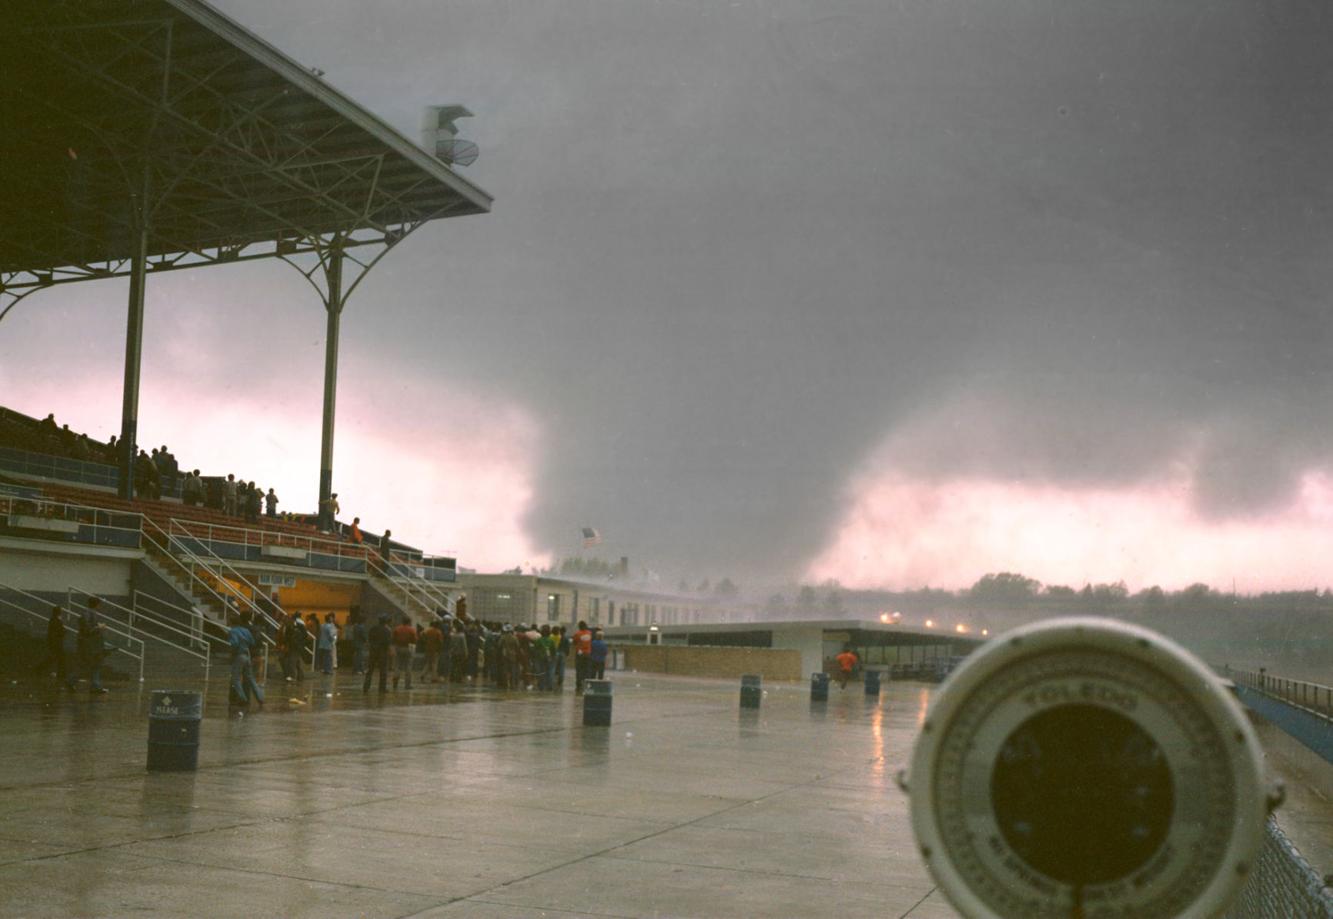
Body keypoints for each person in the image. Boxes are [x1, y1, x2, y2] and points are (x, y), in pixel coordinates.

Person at [228, 611, 264, 708]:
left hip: (239, 655)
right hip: (247, 655)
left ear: (231, 622)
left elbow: (234, 643)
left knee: (236, 678)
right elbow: (252, 642)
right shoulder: (246, 630)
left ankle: (242, 698)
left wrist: (231, 651)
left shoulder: (233, 631)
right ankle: (260, 697)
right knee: (250, 678)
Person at [66, 611, 107, 693]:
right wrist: (99, 628)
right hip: (90, 650)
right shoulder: (87, 630)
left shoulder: (82, 631)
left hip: (88, 650)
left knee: (87, 667)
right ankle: (94, 686)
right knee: (93, 667)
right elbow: (90, 633)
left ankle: (71, 681)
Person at [33, 605, 66, 681]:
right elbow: (60, 631)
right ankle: (61, 674)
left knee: (54, 658)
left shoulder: (53, 620)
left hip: (54, 642)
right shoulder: (57, 621)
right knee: (59, 658)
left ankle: (39, 668)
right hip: (57, 643)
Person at [364, 615, 392, 693]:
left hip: (373, 650)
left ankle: (366, 686)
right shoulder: (387, 630)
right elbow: (387, 642)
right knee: (383, 671)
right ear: (386, 622)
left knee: (370, 669)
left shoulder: (373, 629)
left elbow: (369, 638)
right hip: (382, 652)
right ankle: (382, 688)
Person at [391, 615, 417, 689]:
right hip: (408, 648)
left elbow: (393, 638)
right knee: (408, 666)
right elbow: (415, 640)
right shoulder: (412, 630)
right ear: (409, 622)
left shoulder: (397, 629)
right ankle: (407, 685)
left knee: (397, 665)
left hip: (398, 647)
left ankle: (395, 681)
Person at [284, 612, 308, 682]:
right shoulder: (288, 627)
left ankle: (293, 676)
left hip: (297, 646)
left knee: (292, 661)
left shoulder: (299, 626)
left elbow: (305, 635)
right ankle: (300, 676)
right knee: (297, 661)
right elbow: (286, 636)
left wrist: (300, 641)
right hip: (292, 645)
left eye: (290, 619)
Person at [572, 620, 593, 694]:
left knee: (579, 669)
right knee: (587, 669)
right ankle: (587, 685)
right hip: (588, 653)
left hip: (580, 654)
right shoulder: (590, 633)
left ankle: (578, 685)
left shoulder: (577, 634)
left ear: (579, 627)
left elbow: (574, 642)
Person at [421, 619, 444, 683]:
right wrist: (440, 649)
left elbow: (422, 635)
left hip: (428, 648)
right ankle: (434, 678)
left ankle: (423, 674)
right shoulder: (438, 632)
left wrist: (425, 641)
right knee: (434, 664)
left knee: (428, 663)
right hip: (435, 649)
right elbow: (440, 642)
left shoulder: (428, 631)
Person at [553, 626, 570, 690]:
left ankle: (553, 679)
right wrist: (567, 654)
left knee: (555, 667)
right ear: (565, 631)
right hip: (563, 653)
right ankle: (560, 680)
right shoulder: (566, 638)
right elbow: (568, 647)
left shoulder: (558, 637)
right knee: (562, 667)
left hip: (556, 653)